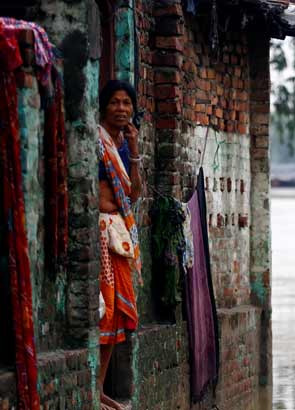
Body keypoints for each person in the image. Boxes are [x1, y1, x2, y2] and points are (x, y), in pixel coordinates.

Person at [97, 80, 144, 410]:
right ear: (104, 107)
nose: (121, 109)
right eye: (115, 102)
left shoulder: (124, 147)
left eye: (126, 103)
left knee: (117, 317)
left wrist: (135, 150)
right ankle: (94, 389)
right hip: (100, 234)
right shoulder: (96, 142)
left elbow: (133, 195)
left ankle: (98, 388)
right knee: (104, 311)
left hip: (119, 235)